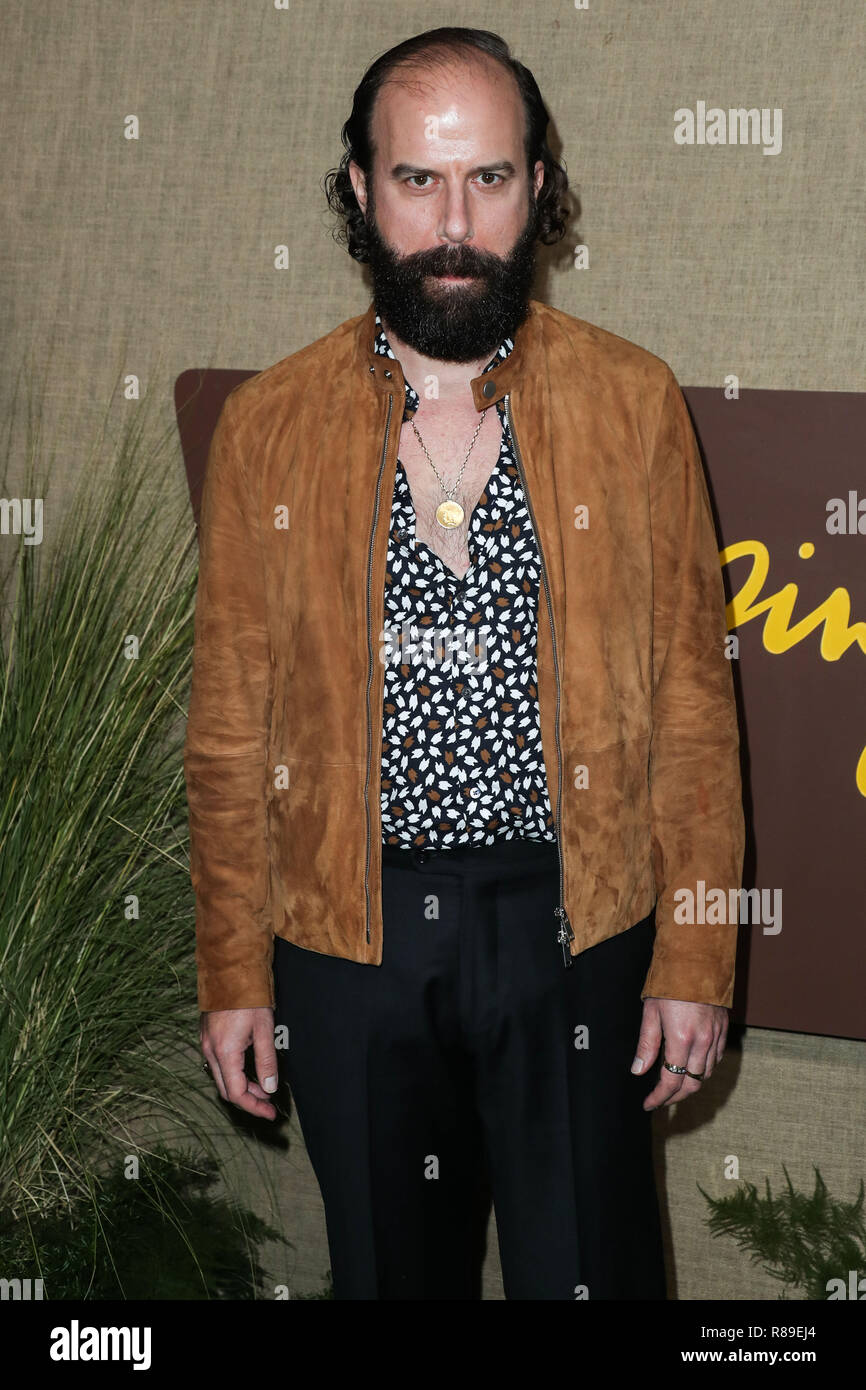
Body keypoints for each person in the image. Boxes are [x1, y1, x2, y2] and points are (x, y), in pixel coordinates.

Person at [184, 26, 745, 1300]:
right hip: (347, 939)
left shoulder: (631, 401)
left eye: (488, 179)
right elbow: (228, 728)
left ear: (538, 188)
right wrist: (231, 972)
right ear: (357, 189)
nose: (452, 221)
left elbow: (694, 716)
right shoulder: (268, 426)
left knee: (588, 1273)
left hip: (575, 926)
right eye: (416, 181)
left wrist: (697, 957)